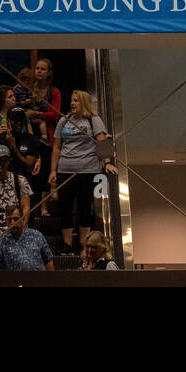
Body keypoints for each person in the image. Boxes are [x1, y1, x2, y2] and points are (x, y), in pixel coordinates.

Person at [49, 90, 115, 254]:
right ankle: (67, 245)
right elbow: (56, 147)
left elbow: (102, 141)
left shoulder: (93, 120)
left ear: (84, 103)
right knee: (65, 208)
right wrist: (53, 170)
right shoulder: (64, 120)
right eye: (71, 100)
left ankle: (84, 245)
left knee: (85, 207)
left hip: (88, 171)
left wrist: (107, 163)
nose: (72, 103)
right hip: (65, 170)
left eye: (76, 101)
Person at [0, 206, 54, 272]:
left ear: (23, 219)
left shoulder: (37, 235)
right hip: (15, 282)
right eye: (9, 220)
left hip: (38, 281)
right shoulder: (2, 241)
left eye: (16, 219)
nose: (13, 223)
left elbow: (48, 261)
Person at [4, 106, 48, 205]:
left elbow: (29, 165)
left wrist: (13, 147)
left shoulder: (31, 139)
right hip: (4, 186)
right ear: (8, 120)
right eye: (15, 119)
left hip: (24, 185)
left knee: (26, 216)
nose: (19, 122)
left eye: (21, 119)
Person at [27, 58, 62, 144]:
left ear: (49, 73)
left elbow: (55, 115)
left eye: (43, 69)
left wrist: (35, 113)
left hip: (46, 132)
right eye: (37, 68)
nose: (39, 71)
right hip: (27, 128)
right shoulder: (27, 87)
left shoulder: (54, 91)